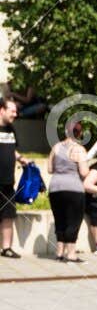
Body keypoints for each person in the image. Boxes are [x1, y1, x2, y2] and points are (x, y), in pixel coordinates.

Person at [47, 119, 94, 262]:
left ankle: (59, 252)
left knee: (60, 219)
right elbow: (84, 172)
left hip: (55, 187)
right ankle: (71, 254)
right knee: (73, 220)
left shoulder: (56, 147)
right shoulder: (79, 149)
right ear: (79, 133)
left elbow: (50, 169)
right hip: (73, 188)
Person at [0, 94, 26, 259]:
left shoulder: (11, 130)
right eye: (12, 111)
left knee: (8, 215)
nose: (15, 114)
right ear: (1, 110)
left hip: (8, 183)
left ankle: (6, 248)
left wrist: (21, 158)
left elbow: (12, 149)